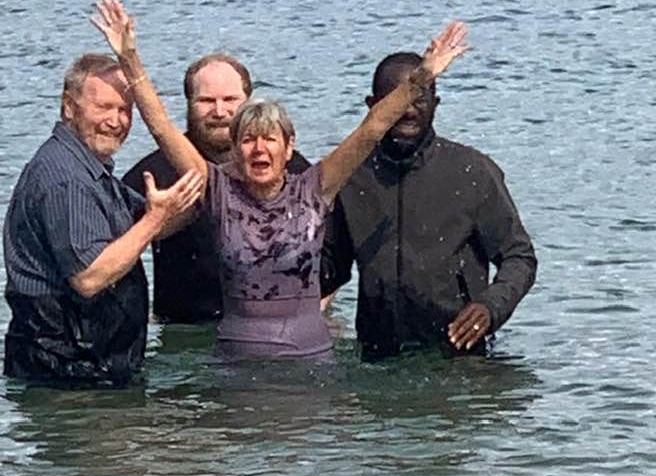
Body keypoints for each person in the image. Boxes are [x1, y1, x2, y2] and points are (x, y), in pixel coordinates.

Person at [92, 0, 469, 360]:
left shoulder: (314, 187)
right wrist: (129, 58)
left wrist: (422, 77)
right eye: (248, 139)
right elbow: (161, 127)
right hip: (236, 362)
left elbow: (371, 129)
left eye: (269, 139)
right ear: (236, 149)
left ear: (289, 148)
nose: (259, 149)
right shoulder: (218, 190)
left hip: (309, 359)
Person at [320, 52, 538, 360]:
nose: (408, 111)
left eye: (419, 99)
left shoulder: (472, 171)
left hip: (459, 354)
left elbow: (519, 257)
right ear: (372, 106)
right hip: (377, 355)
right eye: (396, 100)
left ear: (436, 104)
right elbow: (330, 269)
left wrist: (490, 308)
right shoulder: (353, 178)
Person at [2, 53, 203, 387]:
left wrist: (184, 204)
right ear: (69, 107)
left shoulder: (90, 168)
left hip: (91, 367)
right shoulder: (65, 179)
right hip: (66, 376)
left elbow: (141, 228)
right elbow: (90, 276)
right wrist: (154, 220)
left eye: (125, 110)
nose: (116, 120)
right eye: (104, 107)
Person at [123, 54, 312, 323]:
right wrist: (158, 223)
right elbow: (107, 250)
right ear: (188, 104)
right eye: (206, 101)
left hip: (274, 326)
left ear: (248, 102)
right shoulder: (155, 174)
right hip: (184, 331)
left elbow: (331, 250)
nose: (220, 112)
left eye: (230, 100)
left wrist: (318, 308)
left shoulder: (289, 168)